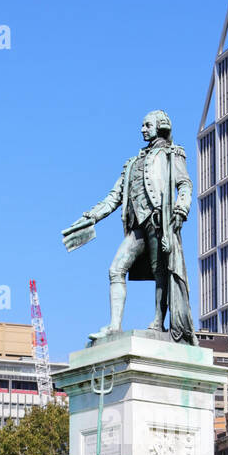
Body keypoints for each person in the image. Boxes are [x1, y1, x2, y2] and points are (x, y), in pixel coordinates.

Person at [66, 109, 196, 344]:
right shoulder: (132, 164)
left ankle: (158, 320)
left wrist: (181, 209)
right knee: (116, 269)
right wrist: (91, 217)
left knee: (161, 272)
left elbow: (184, 184)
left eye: (147, 125)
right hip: (137, 226)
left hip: (160, 222)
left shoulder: (172, 154)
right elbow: (114, 197)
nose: (142, 129)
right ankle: (114, 327)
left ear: (161, 126)